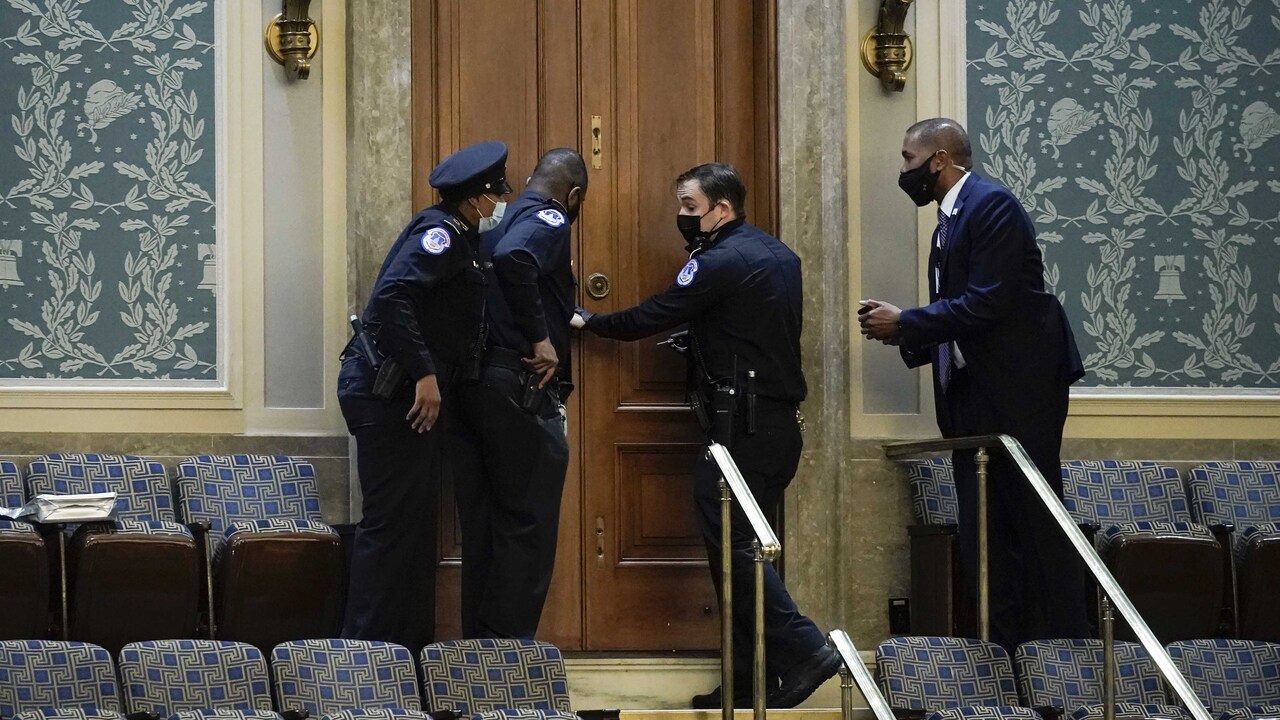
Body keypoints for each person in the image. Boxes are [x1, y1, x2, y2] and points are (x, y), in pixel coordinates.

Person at [573, 163, 840, 709]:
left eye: (691, 207)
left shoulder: (719, 262)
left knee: (735, 549)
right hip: (775, 425)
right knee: (738, 552)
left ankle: (807, 648)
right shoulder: (779, 254)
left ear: (723, 208)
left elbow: (659, 311)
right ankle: (747, 681)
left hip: (739, 426)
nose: (682, 217)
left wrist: (591, 322)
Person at [858, 118, 1089, 652]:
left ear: (940, 159)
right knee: (985, 533)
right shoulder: (951, 219)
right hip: (975, 395)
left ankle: (1066, 655)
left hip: (1018, 392)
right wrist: (904, 335)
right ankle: (1004, 652)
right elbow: (961, 312)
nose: (903, 171)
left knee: (1032, 523)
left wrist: (909, 322)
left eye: (909, 160)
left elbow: (990, 303)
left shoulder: (990, 206)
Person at [337, 140, 511, 655]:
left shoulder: (459, 235)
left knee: (414, 527)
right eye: (496, 195)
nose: (501, 203)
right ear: (477, 198)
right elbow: (392, 298)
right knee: (391, 525)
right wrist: (426, 375)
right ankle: (362, 656)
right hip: (390, 393)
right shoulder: (441, 234)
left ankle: (405, 651)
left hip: (405, 398)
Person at [453, 148, 588, 639]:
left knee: (485, 530)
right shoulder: (549, 217)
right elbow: (518, 259)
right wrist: (541, 336)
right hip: (520, 387)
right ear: (572, 195)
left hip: (475, 384)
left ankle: (477, 660)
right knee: (527, 528)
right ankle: (507, 662)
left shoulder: (493, 221)